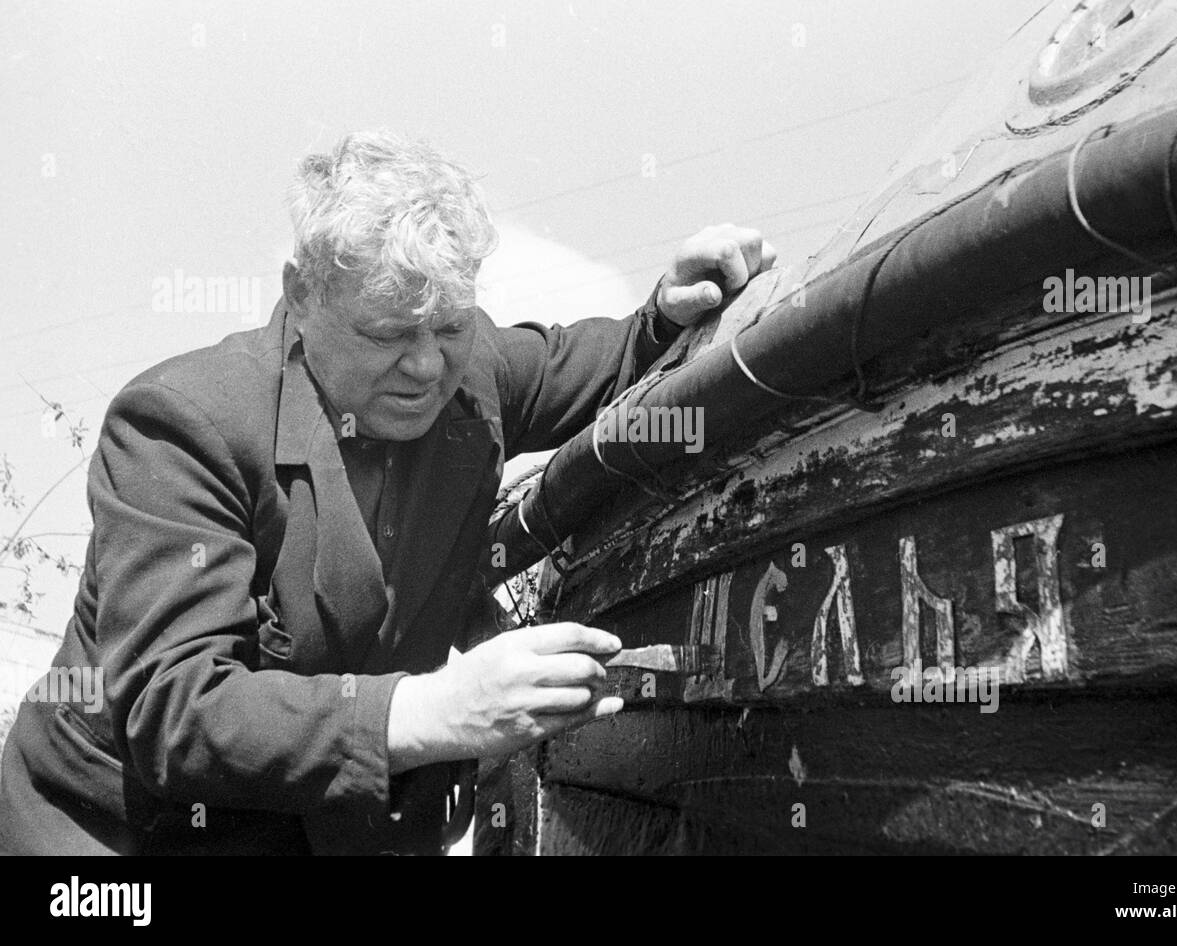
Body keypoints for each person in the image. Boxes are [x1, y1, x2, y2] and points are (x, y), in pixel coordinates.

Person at [0, 129, 775, 854]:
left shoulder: (471, 372)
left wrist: (668, 311)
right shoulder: (180, 424)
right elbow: (173, 710)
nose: (428, 368)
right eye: (386, 335)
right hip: (112, 841)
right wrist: (435, 712)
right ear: (300, 296)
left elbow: (604, 360)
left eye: (450, 327)